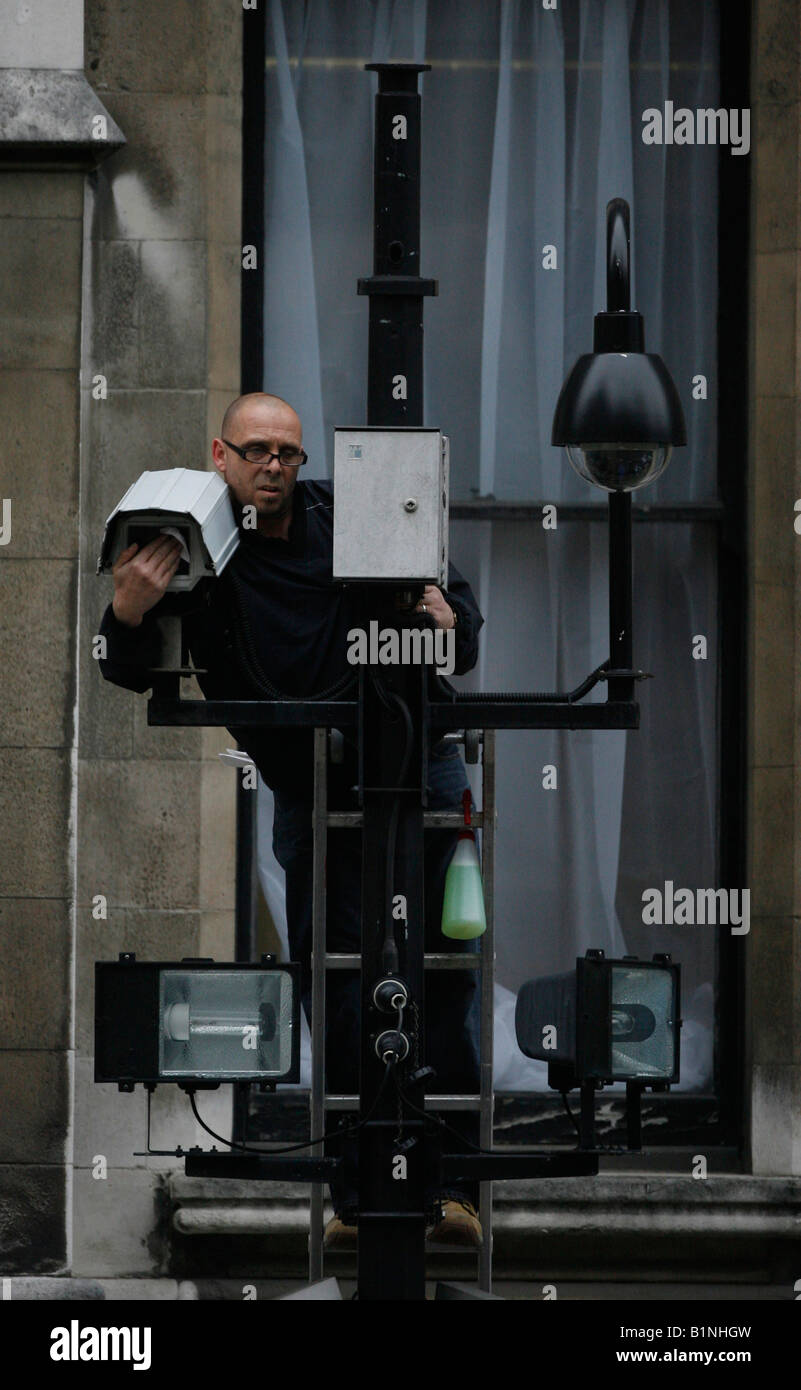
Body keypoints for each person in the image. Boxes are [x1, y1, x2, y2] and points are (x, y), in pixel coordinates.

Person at [98, 392, 485, 1249]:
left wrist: (450, 622)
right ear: (221, 455)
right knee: (338, 979)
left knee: (442, 970)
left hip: (415, 760)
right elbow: (127, 665)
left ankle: (452, 1188)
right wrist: (128, 608)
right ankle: (358, 1191)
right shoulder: (196, 540)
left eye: (288, 453)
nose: (273, 467)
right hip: (309, 783)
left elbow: (460, 629)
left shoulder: (359, 516)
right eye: (257, 451)